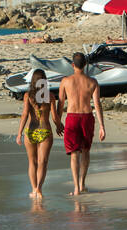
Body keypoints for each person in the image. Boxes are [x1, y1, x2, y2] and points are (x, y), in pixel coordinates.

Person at [59, 52, 105, 194]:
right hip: (86, 117)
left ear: (73, 65)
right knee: (85, 151)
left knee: (74, 153)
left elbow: (60, 104)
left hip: (72, 117)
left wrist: (57, 122)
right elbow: (97, 104)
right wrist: (102, 126)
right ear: (85, 65)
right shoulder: (92, 82)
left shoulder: (66, 81)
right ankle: (82, 184)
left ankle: (76, 188)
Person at [16, 69, 64, 200]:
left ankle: (33, 189)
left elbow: (25, 115)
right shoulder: (50, 96)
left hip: (30, 131)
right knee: (43, 162)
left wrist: (19, 133)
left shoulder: (27, 96)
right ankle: (39, 189)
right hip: (45, 131)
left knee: (32, 162)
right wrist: (60, 126)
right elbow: (54, 117)